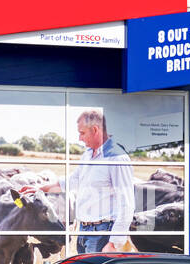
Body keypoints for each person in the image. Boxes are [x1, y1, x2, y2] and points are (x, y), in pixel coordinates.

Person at [25, 109, 134, 255]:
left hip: (102, 233)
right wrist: (40, 188)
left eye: (82, 133)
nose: (79, 138)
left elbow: (127, 204)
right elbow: (71, 181)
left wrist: (113, 243)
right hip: (83, 231)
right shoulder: (88, 155)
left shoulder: (117, 158)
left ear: (95, 130)